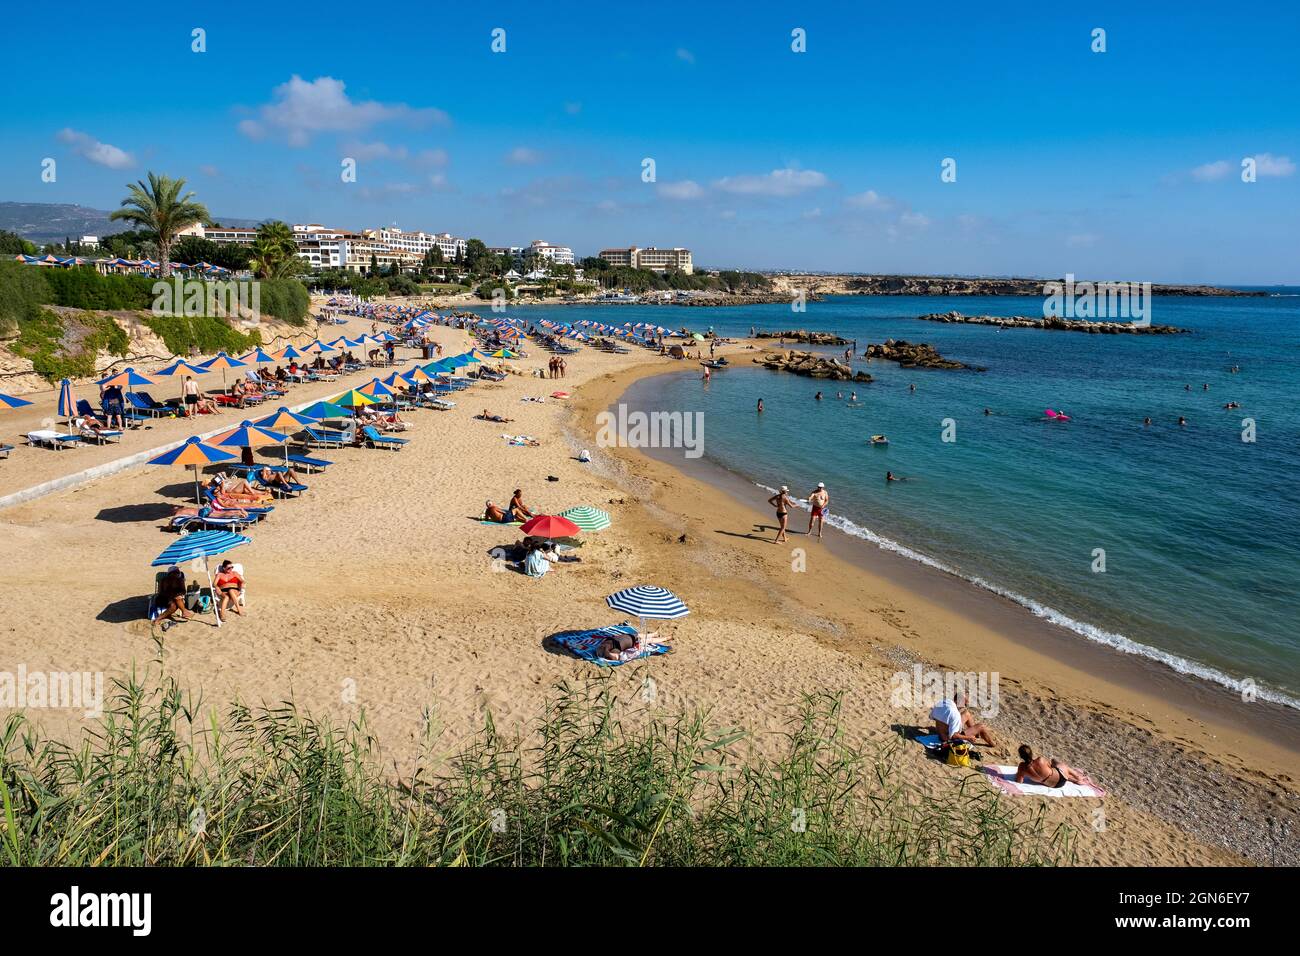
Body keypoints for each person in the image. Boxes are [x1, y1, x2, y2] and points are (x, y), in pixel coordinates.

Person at [1015, 744, 1087, 789]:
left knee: (1054, 772)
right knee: (1059, 764)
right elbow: (1051, 767)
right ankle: (1078, 777)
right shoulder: (1040, 760)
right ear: (1031, 753)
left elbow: (1019, 781)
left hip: (1054, 785)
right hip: (1062, 778)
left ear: (1021, 756)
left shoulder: (1022, 768)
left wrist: (1020, 774)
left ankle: (1074, 780)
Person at [155, 566, 195, 631]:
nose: (178, 572)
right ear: (171, 573)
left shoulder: (180, 579)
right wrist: (174, 596)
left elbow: (183, 591)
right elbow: (161, 592)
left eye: (178, 571)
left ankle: (182, 612)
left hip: (175, 599)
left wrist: (177, 595)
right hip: (163, 599)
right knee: (176, 600)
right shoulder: (164, 580)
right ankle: (184, 612)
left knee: (176, 602)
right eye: (176, 571)